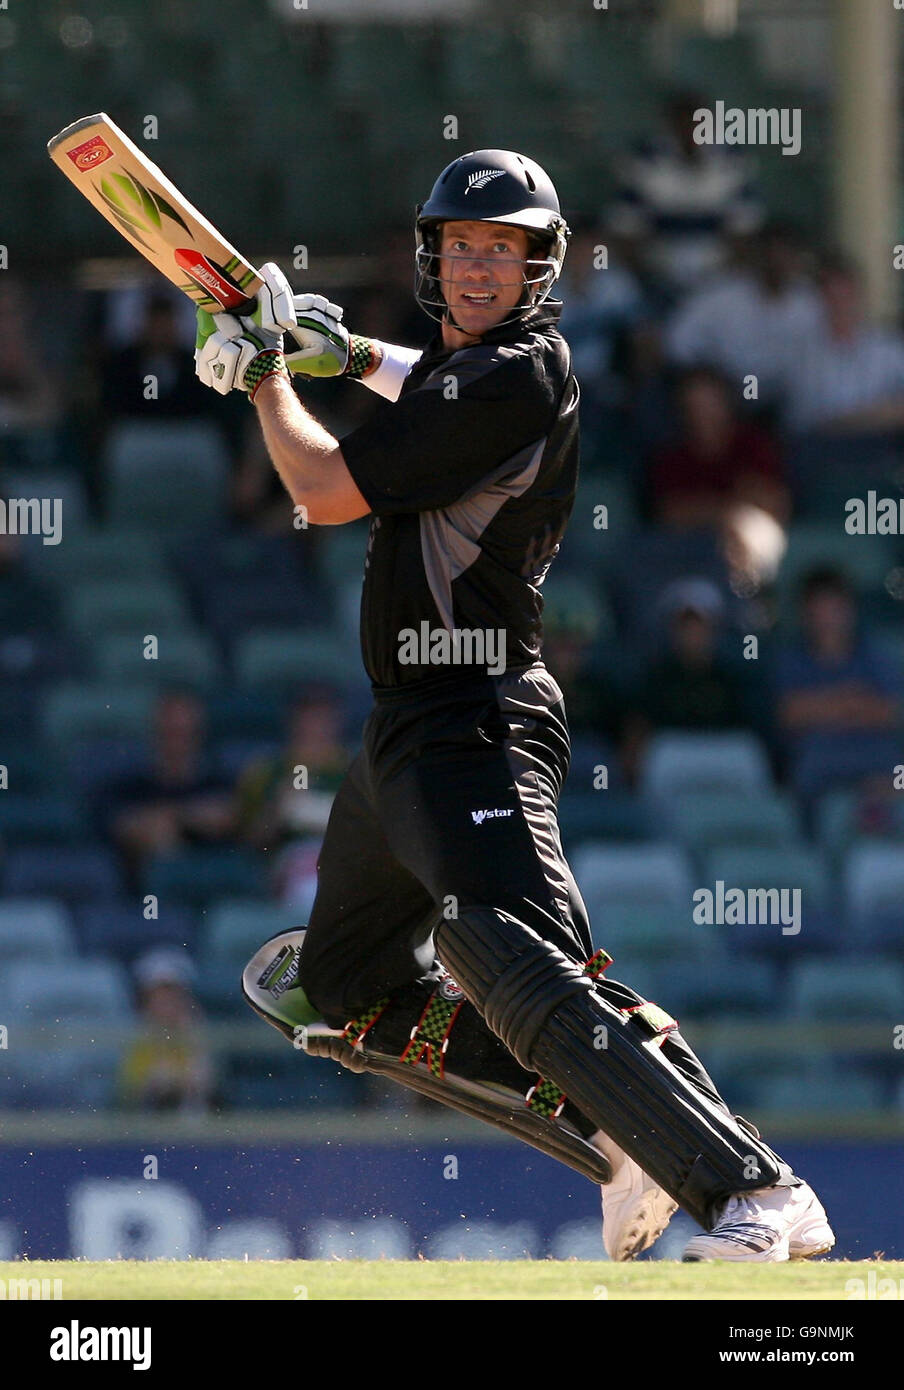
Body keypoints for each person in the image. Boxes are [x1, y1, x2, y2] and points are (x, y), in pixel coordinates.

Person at [193, 148, 833, 1262]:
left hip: (476, 713)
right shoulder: (467, 373)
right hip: (407, 728)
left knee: (503, 945)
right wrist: (338, 349)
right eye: (459, 246)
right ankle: (615, 1125)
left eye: (504, 249)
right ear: (432, 255)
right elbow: (424, 384)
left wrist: (264, 378)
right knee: (342, 983)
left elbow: (322, 489)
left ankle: (756, 1188)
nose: (478, 266)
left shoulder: (523, 373)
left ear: (539, 268)